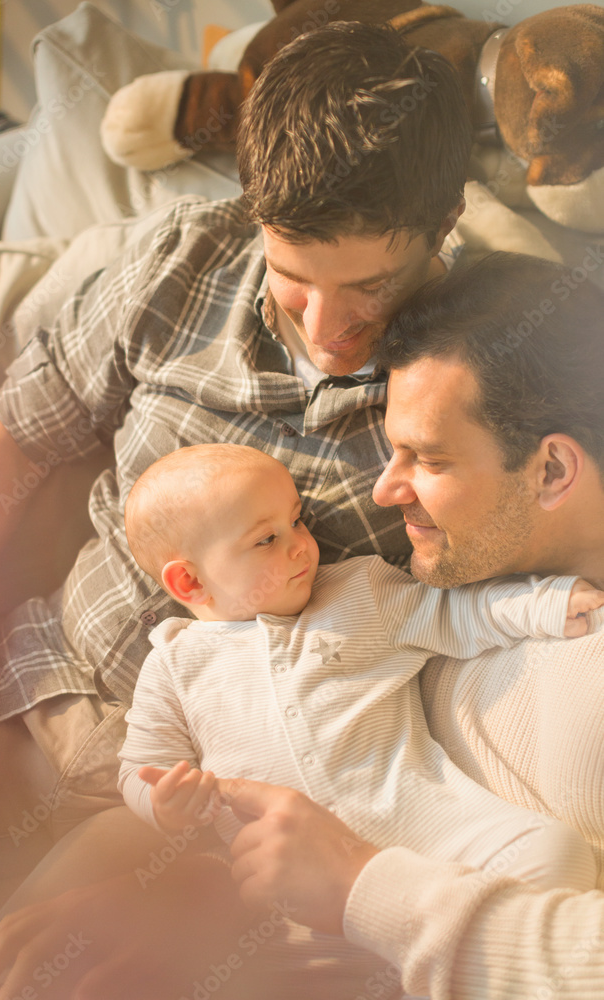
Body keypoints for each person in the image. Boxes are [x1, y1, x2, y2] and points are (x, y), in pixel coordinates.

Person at [0, 18, 471, 925]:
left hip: (213, 806)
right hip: (35, 680)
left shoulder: (485, 355)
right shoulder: (183, 258)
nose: (328, 330)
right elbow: (18, 433)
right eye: (293, 276)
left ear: (442, 227)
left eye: (369, 287)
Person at [208, 252, 604, 999]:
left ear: (551, 471)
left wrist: (361, 885)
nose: (385, 489)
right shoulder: (422, 581)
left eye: (426, 458)